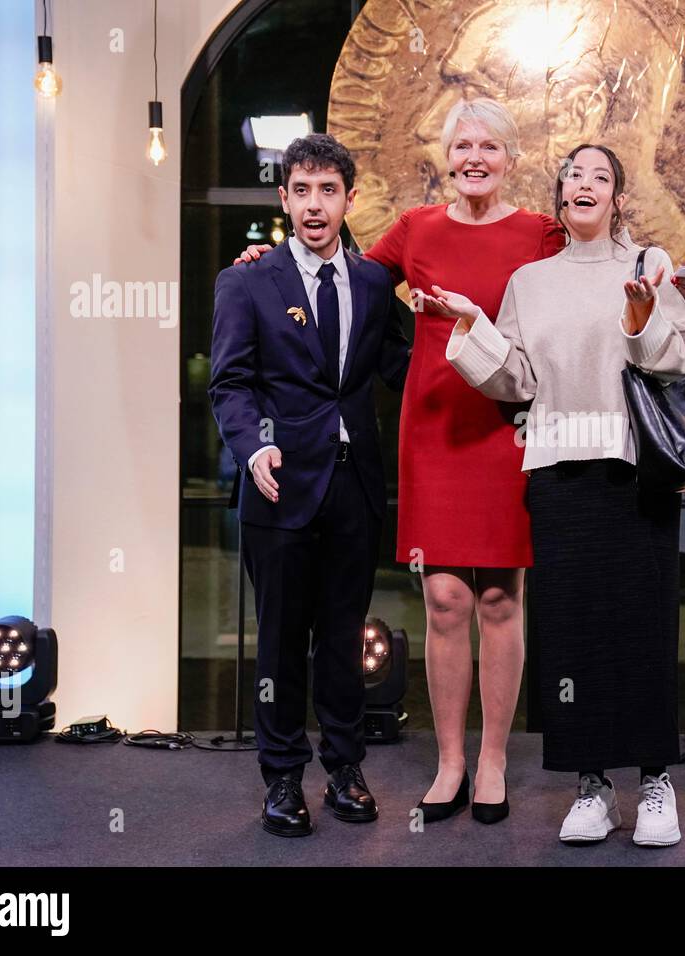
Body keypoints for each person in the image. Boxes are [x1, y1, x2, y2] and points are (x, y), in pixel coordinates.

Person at [234, 99, 685, 826]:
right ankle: (450, 761)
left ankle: (493, 761)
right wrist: (266, 260)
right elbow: (341, 274)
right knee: (446, 600)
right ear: (445, 158)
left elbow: (603, 250)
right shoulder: (415, 229)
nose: (475, 156)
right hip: (434, 427)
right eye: (462, 145)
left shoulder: (542, 232)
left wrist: (656, 259)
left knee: (499, 599)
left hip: (516, 430)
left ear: (510, 159)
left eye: (489, 145)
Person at [427, 143, 685, 847]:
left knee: (641, 623)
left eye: (599, 176)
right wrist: (470, 323)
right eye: (574, 175)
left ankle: (655, 782)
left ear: (615, 198)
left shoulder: (647, 267)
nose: (584, 183)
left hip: (635, 467)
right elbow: (515, 379)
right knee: (574, 629)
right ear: (561, 195)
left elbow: (683, 359)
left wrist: (640, 318)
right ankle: (592, 786)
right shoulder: (530, 280)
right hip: (556, 469)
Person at [208, 133, 411, 836]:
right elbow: (230, 382)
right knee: (280, 642)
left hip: (355, 490)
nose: (315, 205)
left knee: (345, 640)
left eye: (329, 191)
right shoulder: (246, 280)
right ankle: (283, 779)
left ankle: (346, 769)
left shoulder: (379, 285)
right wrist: (253, 447)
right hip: (279, 488)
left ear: (349, 200)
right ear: (284, 198)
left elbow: (410, 369)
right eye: (302, 190)